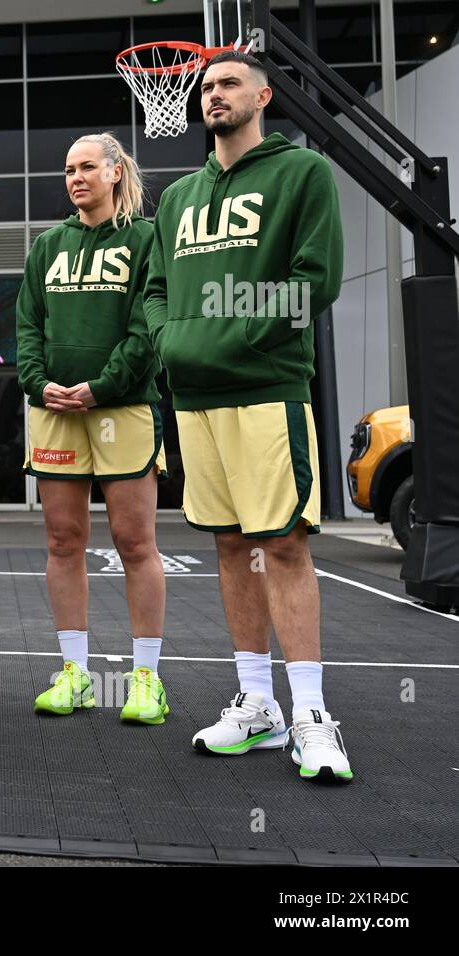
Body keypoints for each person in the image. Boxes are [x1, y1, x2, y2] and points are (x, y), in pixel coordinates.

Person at [143, 51, 350, 781]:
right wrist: (173, 341)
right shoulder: (176, 198)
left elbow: (313, 281)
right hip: (195, 399)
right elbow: (156, 290)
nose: (213, 94)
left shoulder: (302, 174)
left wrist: (228, 336)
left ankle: (312, 717)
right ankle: (257, 706)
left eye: (228, 83)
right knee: (231, 546)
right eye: (205, 87)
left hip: (266, 386)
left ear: (263, 95)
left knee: (285, 545)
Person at [16, 132, 168, 724]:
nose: (75, 178)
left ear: (114, 172)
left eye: (86, 168)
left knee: (135, 543)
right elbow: (27, 323)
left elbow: (146, 328)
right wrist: (38, 381)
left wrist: (102, 385)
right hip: (54, 412)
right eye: (68, 169)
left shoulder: (146, 238)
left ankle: (146, 679)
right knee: (62, 541)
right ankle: (76, 674)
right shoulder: (49, 244)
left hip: (121, 409)